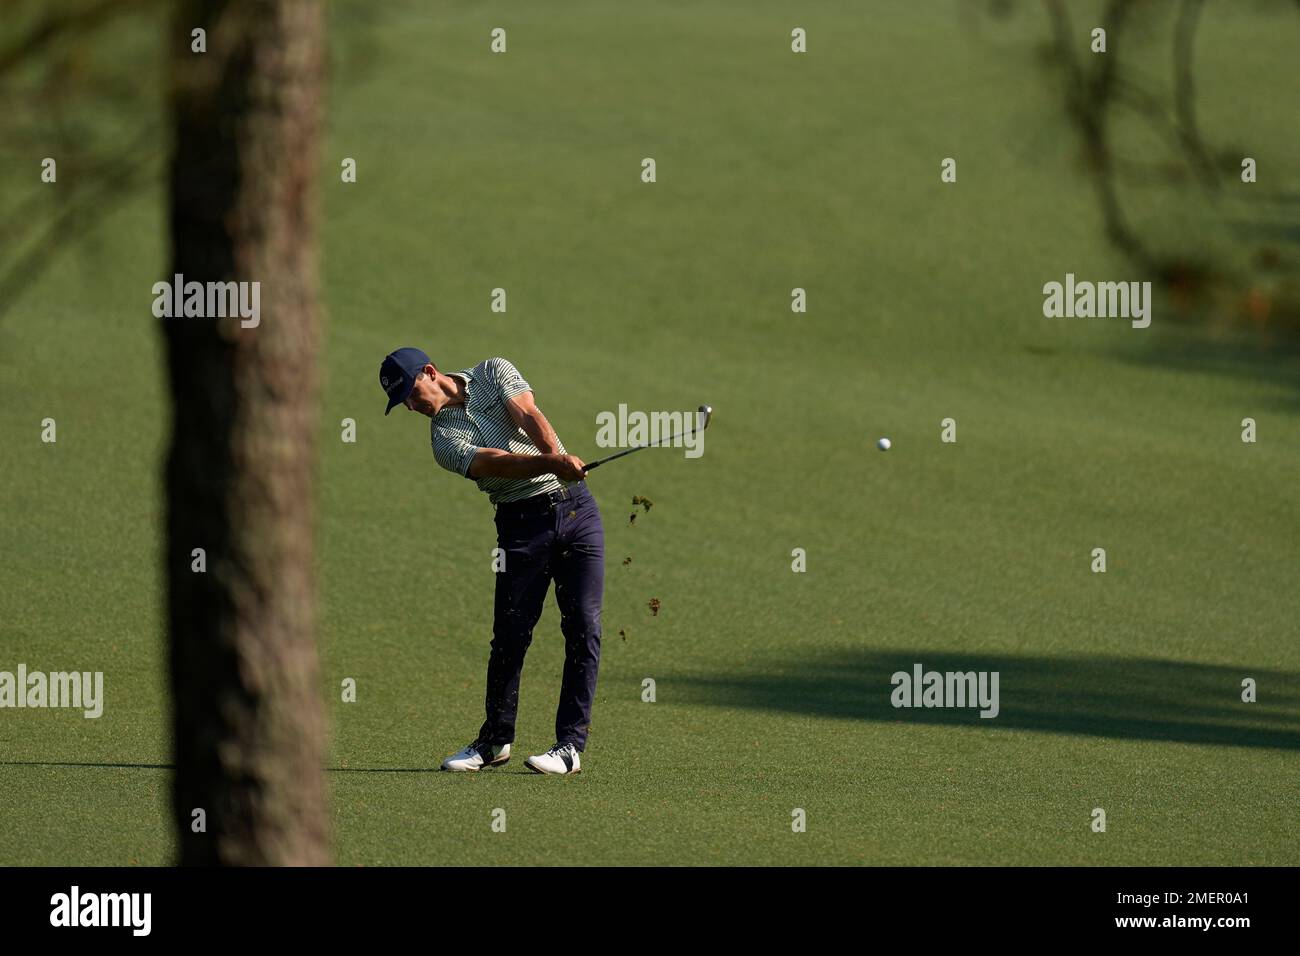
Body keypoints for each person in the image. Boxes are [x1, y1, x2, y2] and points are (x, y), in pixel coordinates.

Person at [379, 348, 603, 775]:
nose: (411, 406)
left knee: (584, 627)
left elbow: (526, 414)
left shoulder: (493, 371)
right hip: (521, 529)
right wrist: (551, 463)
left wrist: (556, 459)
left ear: (430, 372)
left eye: (410, 393)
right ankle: (494, 741)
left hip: (578, 512)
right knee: (511, 635)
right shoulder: (442, 441)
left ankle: (570, 747)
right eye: (403, 402)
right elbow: (495, 463)